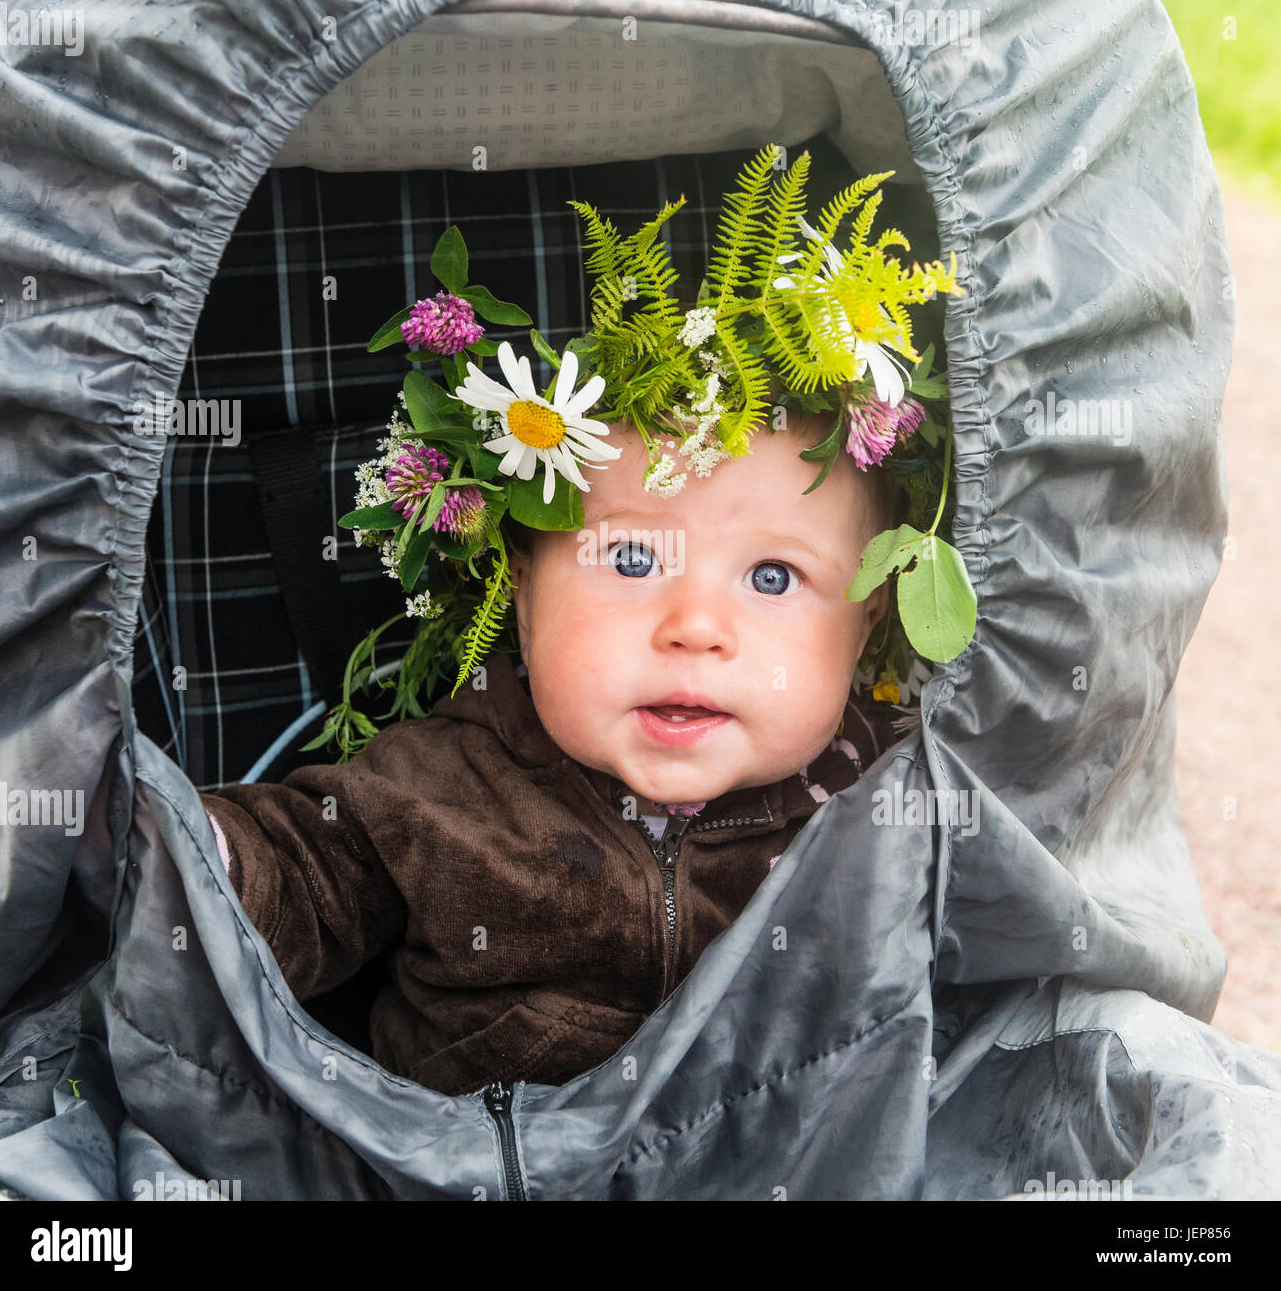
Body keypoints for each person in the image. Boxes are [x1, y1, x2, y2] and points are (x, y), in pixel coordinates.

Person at [199, 411, 901, 1096]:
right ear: (524, 595)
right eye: (632, 559)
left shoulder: (893, 799)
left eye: (772, 577)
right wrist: (207, 855)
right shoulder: (442, 784)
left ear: (864, 626)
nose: (696, 627)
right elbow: (299, 872)